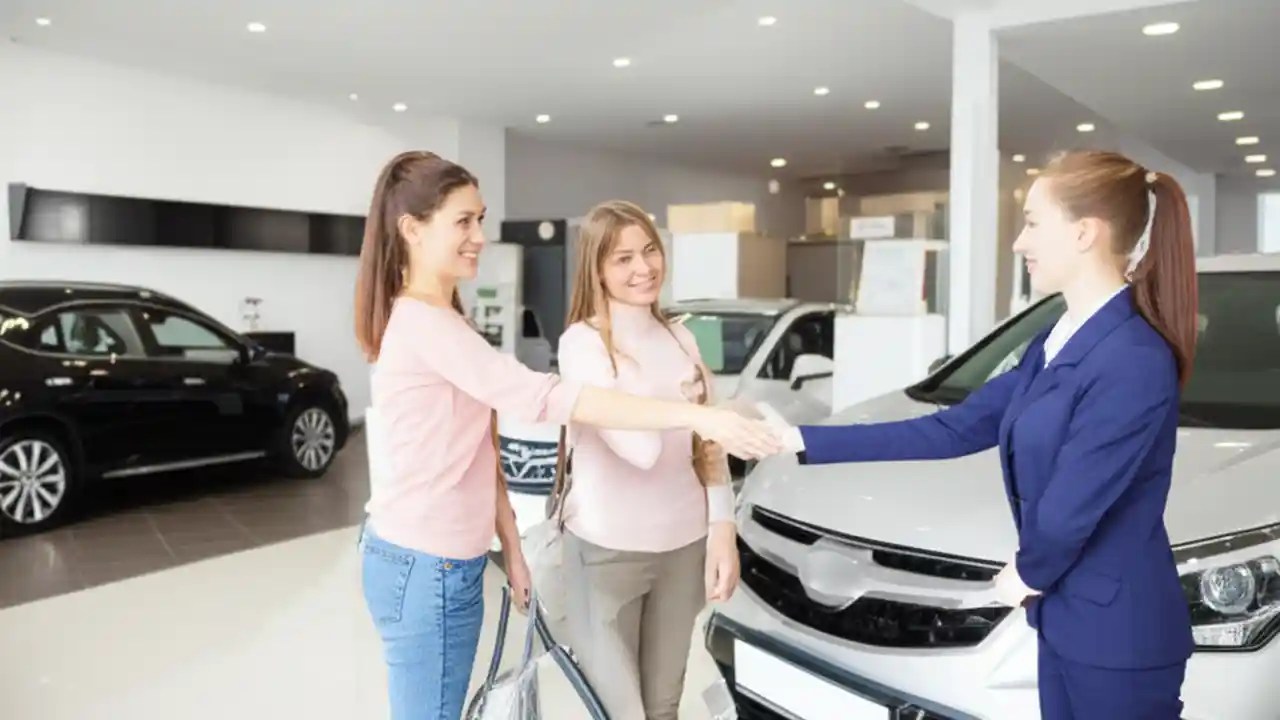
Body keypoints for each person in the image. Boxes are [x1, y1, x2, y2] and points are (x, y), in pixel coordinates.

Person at [761, 150, 1198, 719]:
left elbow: (1074, 501)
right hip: (1066, 619)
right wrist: (800, 440)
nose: (1018, 242)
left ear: (1084, 233)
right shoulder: (1056, 340)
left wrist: (1028, 572)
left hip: (1120, 638)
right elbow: (953, 428)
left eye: (1033, 223)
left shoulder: (1132, 357)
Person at [351, 151, 779, 720]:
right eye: (464, 221)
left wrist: (511, 546)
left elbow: (479, 452)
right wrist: (696, 414)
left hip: (449, 561)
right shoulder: (426, 323)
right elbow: (543, 397)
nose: (480, 236)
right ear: (412, 229)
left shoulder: (446, 317)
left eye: (480, 219)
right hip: (426, 563)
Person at [556, 201, 740, 720]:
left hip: (683, 546)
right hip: (606, 554)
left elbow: (708, 443)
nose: (644, 268)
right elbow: (641, 450)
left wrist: (722, 529)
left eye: (650, 251)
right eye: (623, 258)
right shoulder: (582, 344)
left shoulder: (681, 337)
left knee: (663, 708)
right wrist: (678, 398)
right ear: (597, 269)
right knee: (622, 712)